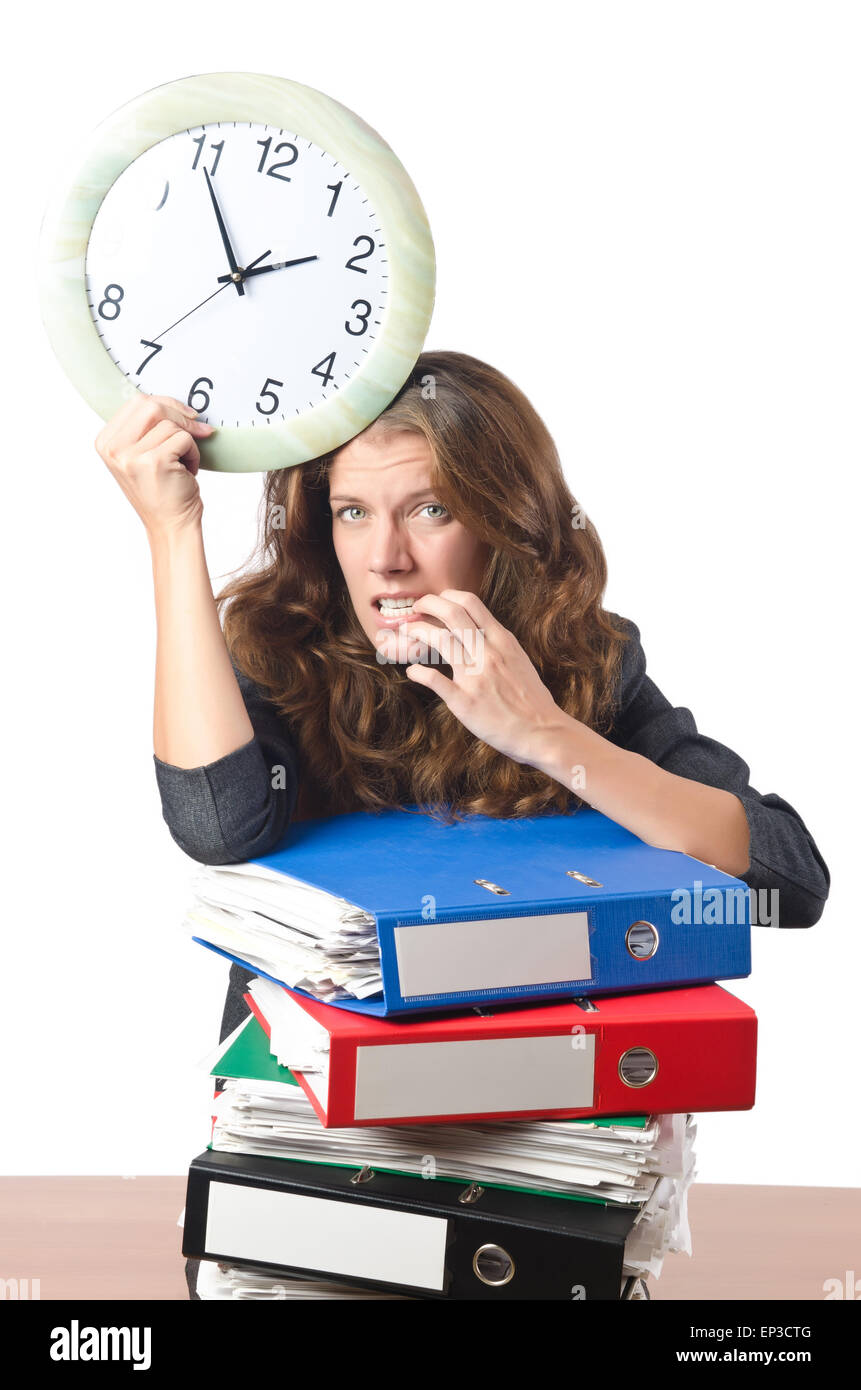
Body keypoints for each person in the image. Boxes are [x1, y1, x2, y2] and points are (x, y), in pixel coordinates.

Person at [95, 349, 830, 1298]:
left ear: (502, 524)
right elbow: (214, 822)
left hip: (538, 1165)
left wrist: (552, 736)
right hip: (322, 1169)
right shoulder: (278, 656)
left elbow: (786, 879)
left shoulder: (585, 668)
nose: (385, 558)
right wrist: (171, 535)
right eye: (352, 511)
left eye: (429, 510)